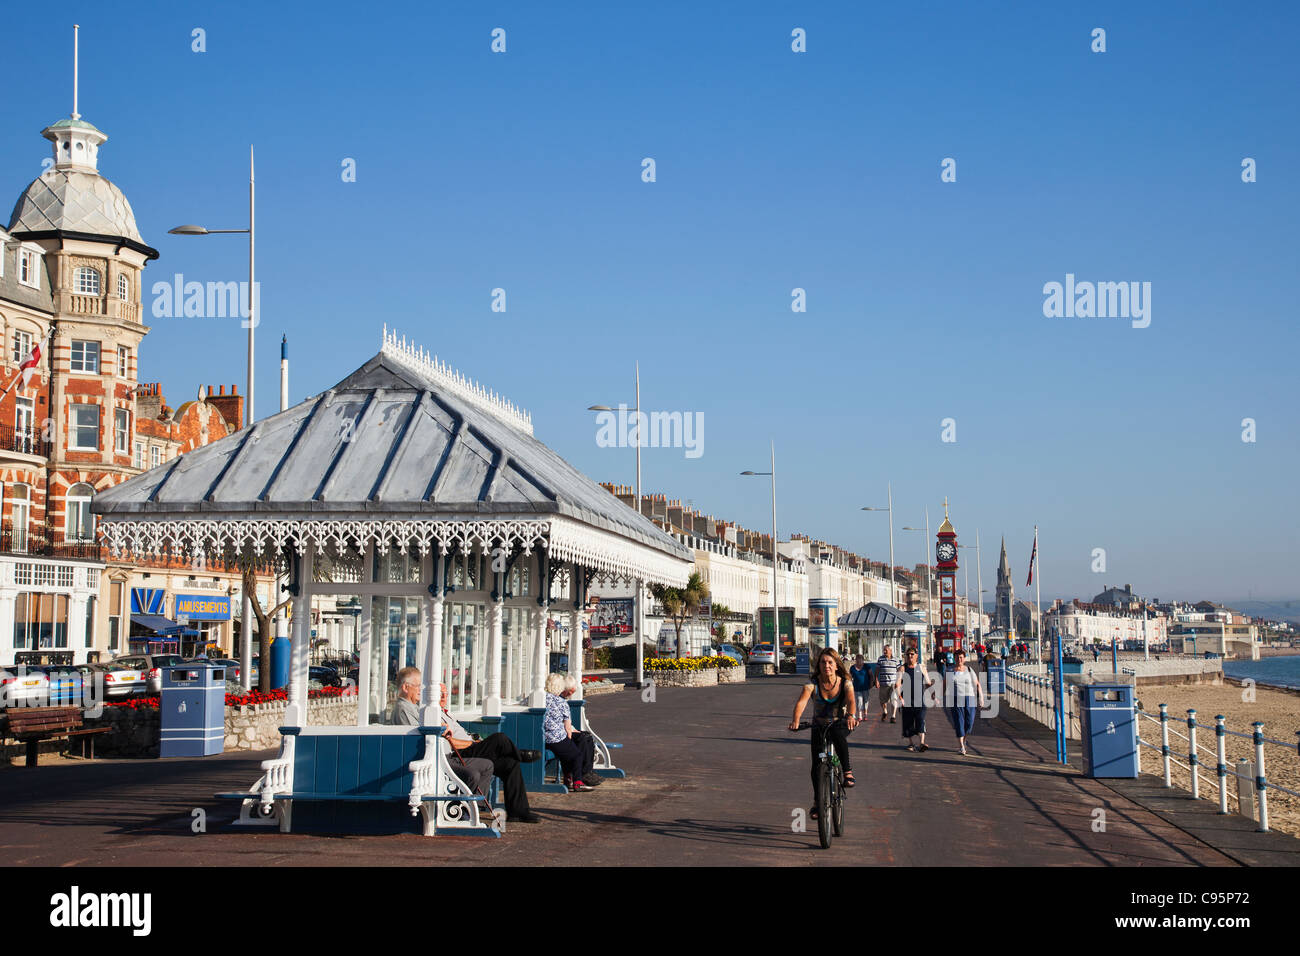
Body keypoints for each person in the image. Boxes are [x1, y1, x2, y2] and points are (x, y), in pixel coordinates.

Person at [437, 682, 542, 823]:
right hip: (459, 753)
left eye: (446, 693)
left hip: (470, 748)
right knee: (499, 738)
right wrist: (473, 744)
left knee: (510, 764)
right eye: (440, 694)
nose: (444, 697)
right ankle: (520, 754)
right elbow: (450, 742)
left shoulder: (447, 713)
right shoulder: (434, 715)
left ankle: (518, 812)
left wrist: (474, 740)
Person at [388, 667, 495, 804]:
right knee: (471, 774)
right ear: (405, 687)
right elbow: (418, 737)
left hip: (446, 754)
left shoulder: (415, 707)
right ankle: (460, 811)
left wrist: (441, 729)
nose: (421, 690)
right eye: (418, 686)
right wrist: (439, 731)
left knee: (487, 765)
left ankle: (476, 808)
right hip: (435, 758)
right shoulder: (403, 709)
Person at [789, 647, 859, 817]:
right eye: (823, 662)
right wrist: (796, 721)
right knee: (816, 766)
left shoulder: (845, 682)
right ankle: (817, 802)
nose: (826, 665)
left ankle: (847, 772)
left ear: (836, 665)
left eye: (830, 662)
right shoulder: (812, 684)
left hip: (841, 723)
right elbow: (801, 702)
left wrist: (850, 715)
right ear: (818, 665)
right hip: (819, 725)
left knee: (836, 733)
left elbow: (851, 700)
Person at [544, 672, 600, 790]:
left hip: (541, 738)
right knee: (576, 755)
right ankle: (578, 782)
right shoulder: (562, 703)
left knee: (568, 753)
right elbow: (568, 728)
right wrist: (569, 740)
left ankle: (568, 779)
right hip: (556, 738)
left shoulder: (540, 698)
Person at [893, 646, 934, 752]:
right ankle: (911, 744)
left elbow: (928, 682)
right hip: (907, 700)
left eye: (912, 654)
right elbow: (897, 684)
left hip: (920, 699)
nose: (910, 656)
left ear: (916, 656)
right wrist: (900, 697)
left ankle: (921, 743)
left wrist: (932, 691)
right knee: (908, 722)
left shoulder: (921, 667)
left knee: (920, 719)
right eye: (908, 654)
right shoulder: (902, 668)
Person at [946, 649, 985, 755]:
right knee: (959, 722)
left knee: (969, 723)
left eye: (961, 657)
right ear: (954, 658)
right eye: (957, 657)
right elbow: (945, 685)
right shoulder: (950, 670)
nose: (959, 659)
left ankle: (964, 739)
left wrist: (981, 697)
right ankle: (962, 747)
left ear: (964, 659)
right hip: (956, 698)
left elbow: (977, 684)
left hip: (970, 698)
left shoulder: (969, 670)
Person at [875, 645, 900, 723]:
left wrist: (899, 681)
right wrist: (876, 680)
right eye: (884, 650)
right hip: (883, 683)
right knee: (882, 701)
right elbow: (877, 670)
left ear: (890, 650)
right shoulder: (880, 659)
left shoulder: (896, 660)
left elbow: (899, 671)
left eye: (886, 650)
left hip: (893, 684)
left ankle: (893, 716)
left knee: (894, 700)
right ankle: (885, 711)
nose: (884, 651)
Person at [849, 654, 873, 720]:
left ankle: (865, 715)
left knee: (866, 701)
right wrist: (849, 685)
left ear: (863, 660)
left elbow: (871, 675)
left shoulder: (867, 666)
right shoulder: (852, 668)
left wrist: (871, 683)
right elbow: (850, 678)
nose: (859, 661)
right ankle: (860, 716)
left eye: (860, 659)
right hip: (857, 688)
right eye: (857, 659)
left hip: (865, 687)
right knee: (859, 701)